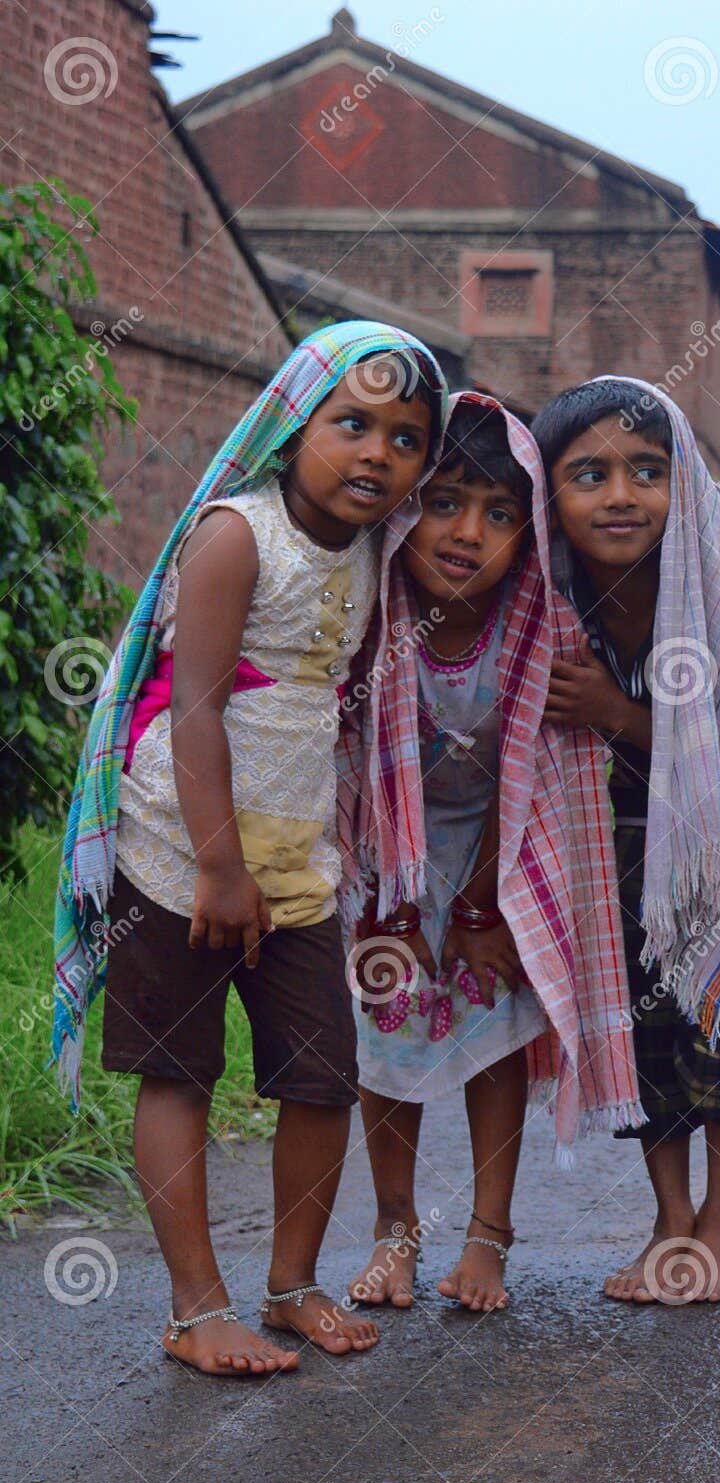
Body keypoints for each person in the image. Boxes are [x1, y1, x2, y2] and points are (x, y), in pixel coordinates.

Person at [52, 322, 448, 1376]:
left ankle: (289, 1285)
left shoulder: (367, 552)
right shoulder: (237, 534)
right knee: (177, 1075)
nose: (376, 452)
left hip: (298, 868)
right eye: (351, 424)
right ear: (290, 425)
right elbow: (192, 710)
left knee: (319, 1076)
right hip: (178, 856)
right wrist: (219, 866)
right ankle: (194, 1309)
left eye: (405, 438)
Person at [343, 394, 642, 1312]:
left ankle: (489, 1235)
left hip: (499, 858)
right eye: (445, 503)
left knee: (495, 1035)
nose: (468, 533)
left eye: (501, 514)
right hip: (380, 856)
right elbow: (342, 759)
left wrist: (480, 906)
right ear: (406, 511)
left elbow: (537, 779)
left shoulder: (538, 629)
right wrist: (391, 901)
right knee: (379, 1034)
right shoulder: (370, 611)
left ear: (531, 533)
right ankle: (395, 1230)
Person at [532, 378, 720, 1305]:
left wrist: (619, 714)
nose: (621, 494)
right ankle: (669, 1220)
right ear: (550, 496)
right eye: (590, 474)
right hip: (610, 821)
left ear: (681, 481)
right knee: (642, 1019)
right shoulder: (548, 592)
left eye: (647, 471)